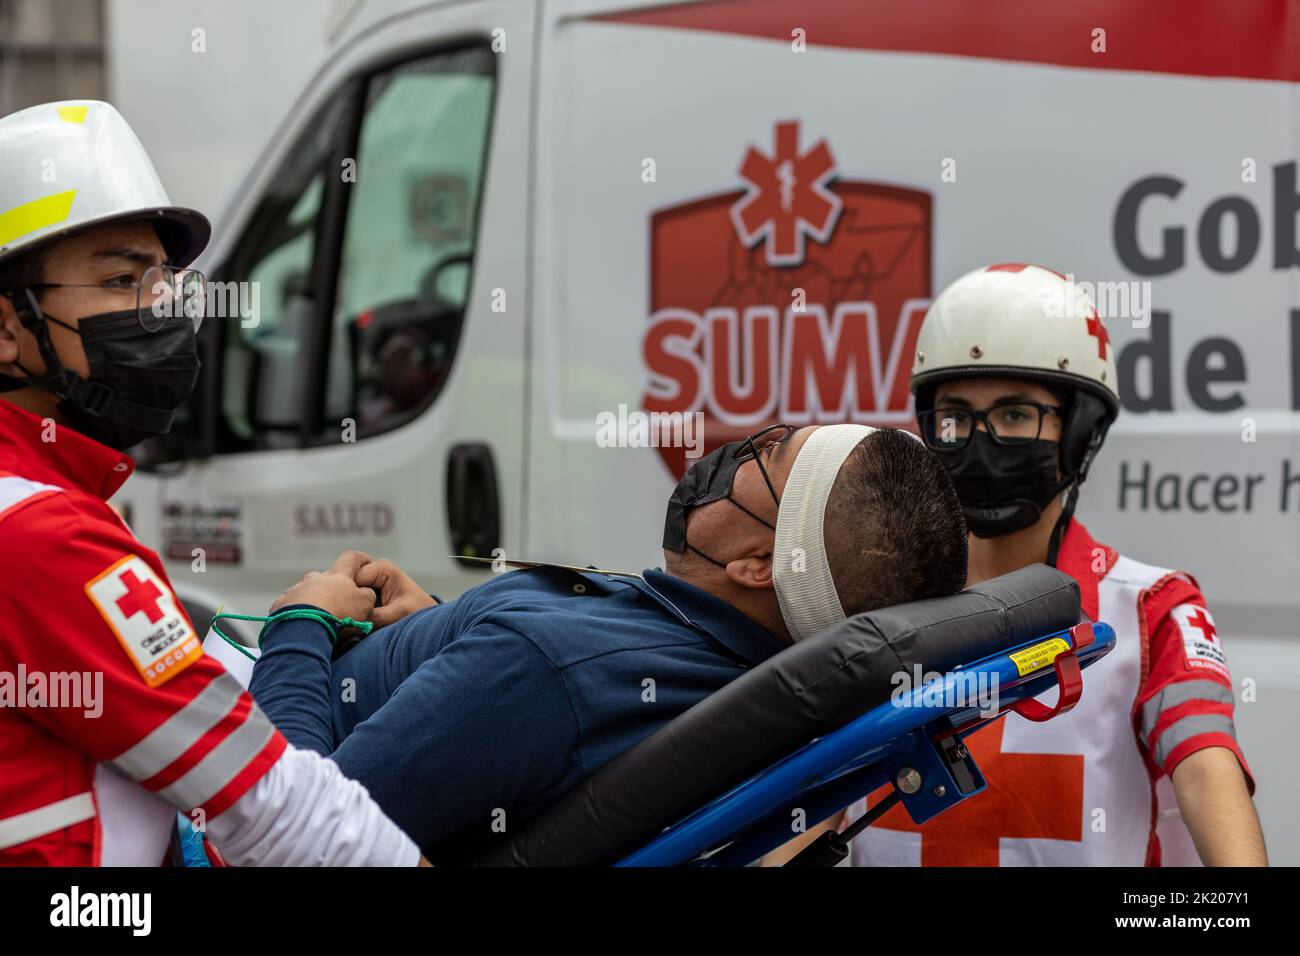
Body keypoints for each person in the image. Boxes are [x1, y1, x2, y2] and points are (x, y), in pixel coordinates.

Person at [0, 100, 423, 866]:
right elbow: (270, 809)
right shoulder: (41, 537)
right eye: (123, 280)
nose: (158, 312)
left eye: (163, 281)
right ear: (6, 328)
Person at [248, 423, 970, 862]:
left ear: (757, 565)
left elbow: (288, 826)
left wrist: (300, 625)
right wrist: (430, 629)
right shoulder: (707, 664)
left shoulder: (542, 672)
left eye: (770, 459)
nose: (745, 448)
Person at [842, 263, 1265, 866]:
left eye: (1016, 414)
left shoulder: (1150, 609)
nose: (982, 441)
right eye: (956, 416)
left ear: (1079, 432)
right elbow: (809, 804)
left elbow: (1204, 771)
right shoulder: (868, 602)